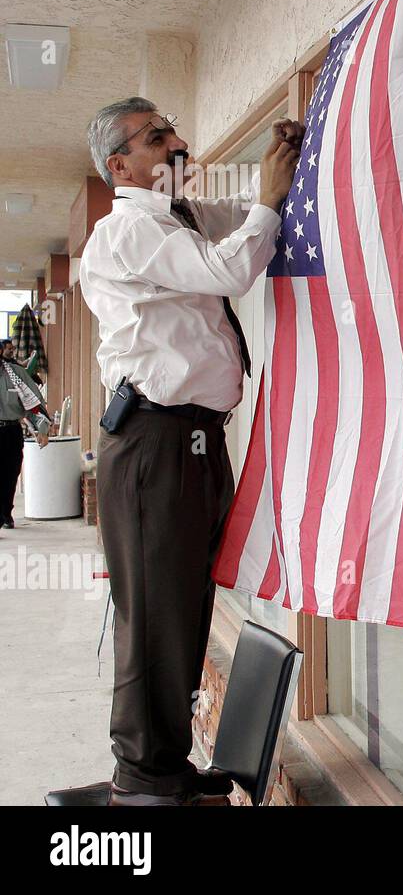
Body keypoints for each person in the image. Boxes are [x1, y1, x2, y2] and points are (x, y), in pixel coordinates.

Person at [79, 97, 301, 805]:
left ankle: (164, 769)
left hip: (194, 440)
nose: (179, 142)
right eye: (157, 138)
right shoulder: (125, 233)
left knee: (181, 607)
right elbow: (228, 269)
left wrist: (285, 179)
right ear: (123, 166)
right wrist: (268, 198)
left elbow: (248, 223)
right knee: (152, 617)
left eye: (172, 129)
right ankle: (141, 787)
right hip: (153, 442)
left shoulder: (179, 216)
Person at [0, 337, 51, 529]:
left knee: (9, 475)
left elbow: (35, 406)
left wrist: (42, 430)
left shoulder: (16, 374)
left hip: (10, 432)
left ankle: (6, 512)